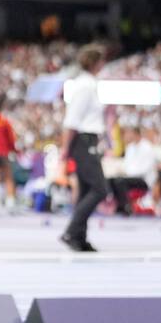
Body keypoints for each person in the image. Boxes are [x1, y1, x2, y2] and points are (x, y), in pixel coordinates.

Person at [60, 44, 109, 251]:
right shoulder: (85, 86)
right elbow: (72, 121)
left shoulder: (90, 84)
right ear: (94, 62)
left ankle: (79, 236)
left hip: (87, 140)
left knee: (86, 190)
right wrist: (65, 150)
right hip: (82, 141)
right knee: (100, 189)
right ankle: (72, 230)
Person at [109, 126, 154, 216]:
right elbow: (126, 165)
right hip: (129, 177)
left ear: (136, 134)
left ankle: (126, 207)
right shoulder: (130, 148)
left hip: (143, 180)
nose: (127, 136)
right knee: (112, 180)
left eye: (130, 134)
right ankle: (120, 206)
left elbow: (145, 169)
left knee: (120, 182)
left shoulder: (148, 147)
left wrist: (129, 172)